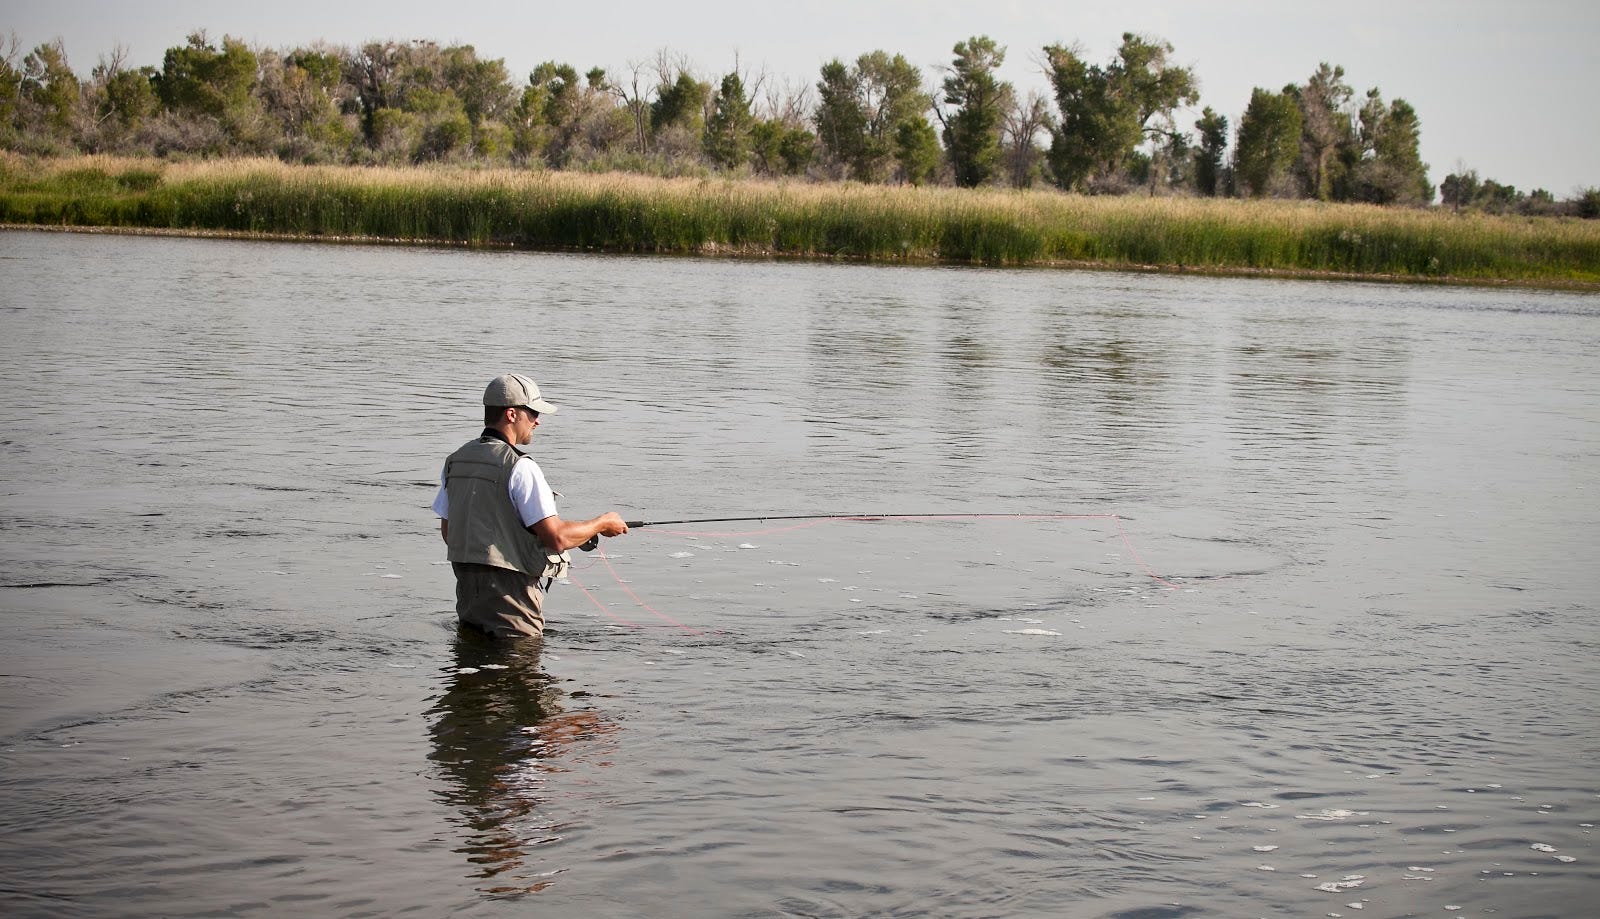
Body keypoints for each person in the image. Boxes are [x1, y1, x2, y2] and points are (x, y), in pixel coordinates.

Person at [433, 373, 629, 638]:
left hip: (468, 602)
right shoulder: (520, 466)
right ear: (512, 414)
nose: (538, 421)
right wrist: (603, 523)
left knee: (472, 671)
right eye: (533, 412)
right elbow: (557, 537)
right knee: (522, 672)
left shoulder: (456, 461)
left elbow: (450, 533)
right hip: (512, 609)